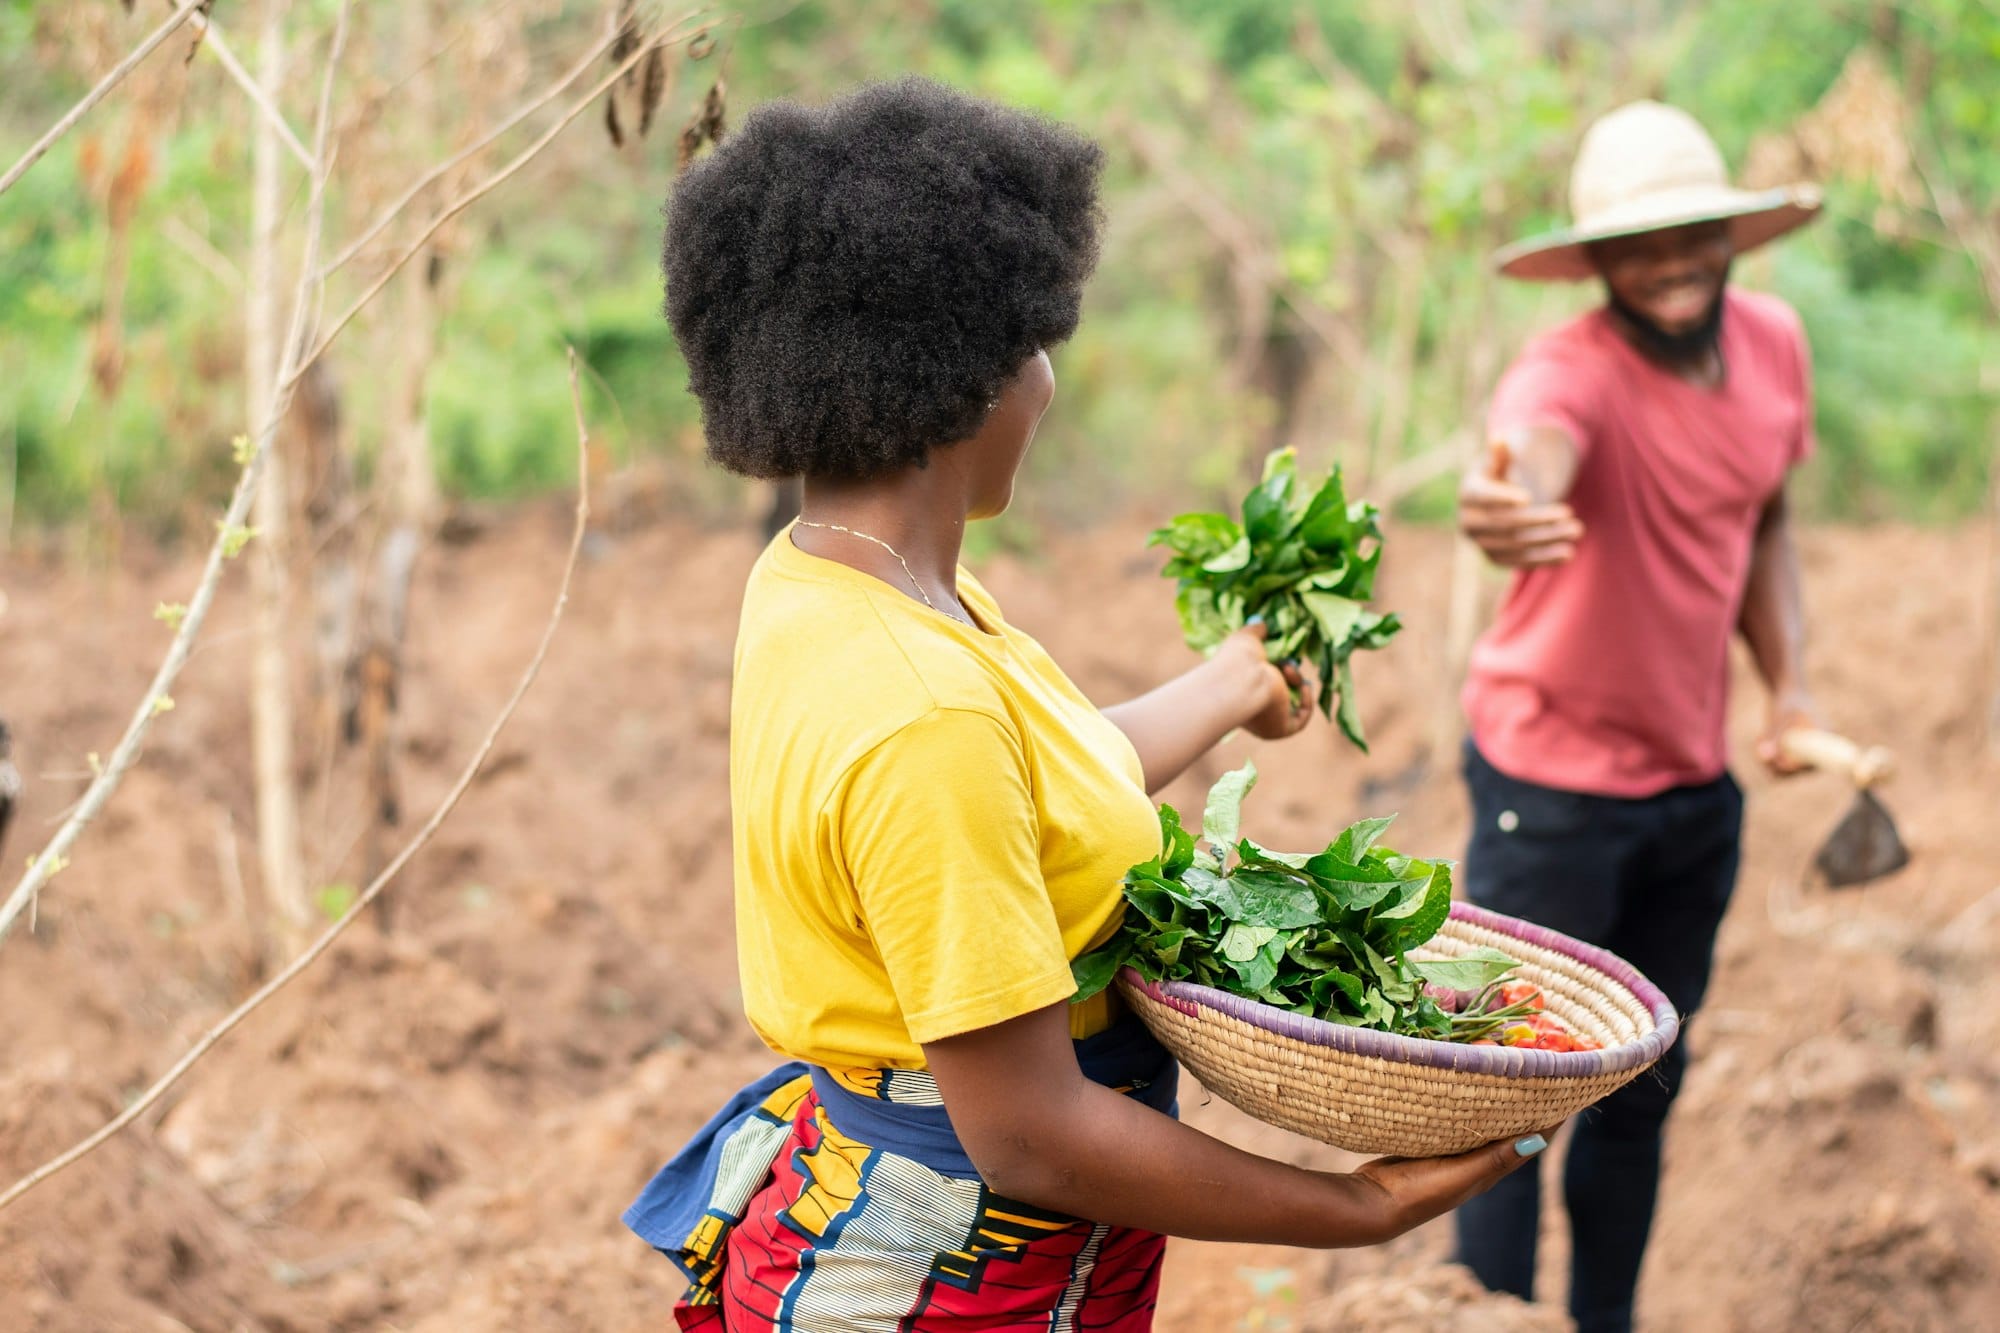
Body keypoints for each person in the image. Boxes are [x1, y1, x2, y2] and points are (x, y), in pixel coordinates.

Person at [623, 79, 1548, 1332]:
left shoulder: (837, 582)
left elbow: (1030, 806)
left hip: (897, 1207)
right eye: (1033, 344)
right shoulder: (920, 708)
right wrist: (1359, 1206)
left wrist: (1229, 684)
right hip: (944, 1274)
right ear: (962, 381)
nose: (1046, 382)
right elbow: (1030, 1136)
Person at [1453, 101, 1825, 1333]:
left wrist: (1791, 690)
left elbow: (1763, 519)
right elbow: (1531, 450)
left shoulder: (1773, 346)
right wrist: (1508, 504)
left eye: (1690, 239)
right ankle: (1485, 1313)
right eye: (1638, 246)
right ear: (1597, 261)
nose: (1669, 265)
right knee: (1507, 1094)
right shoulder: (1567, 371)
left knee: (1641, 1091)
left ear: (1728, 238)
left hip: (1687, 788)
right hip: (1547, 785)